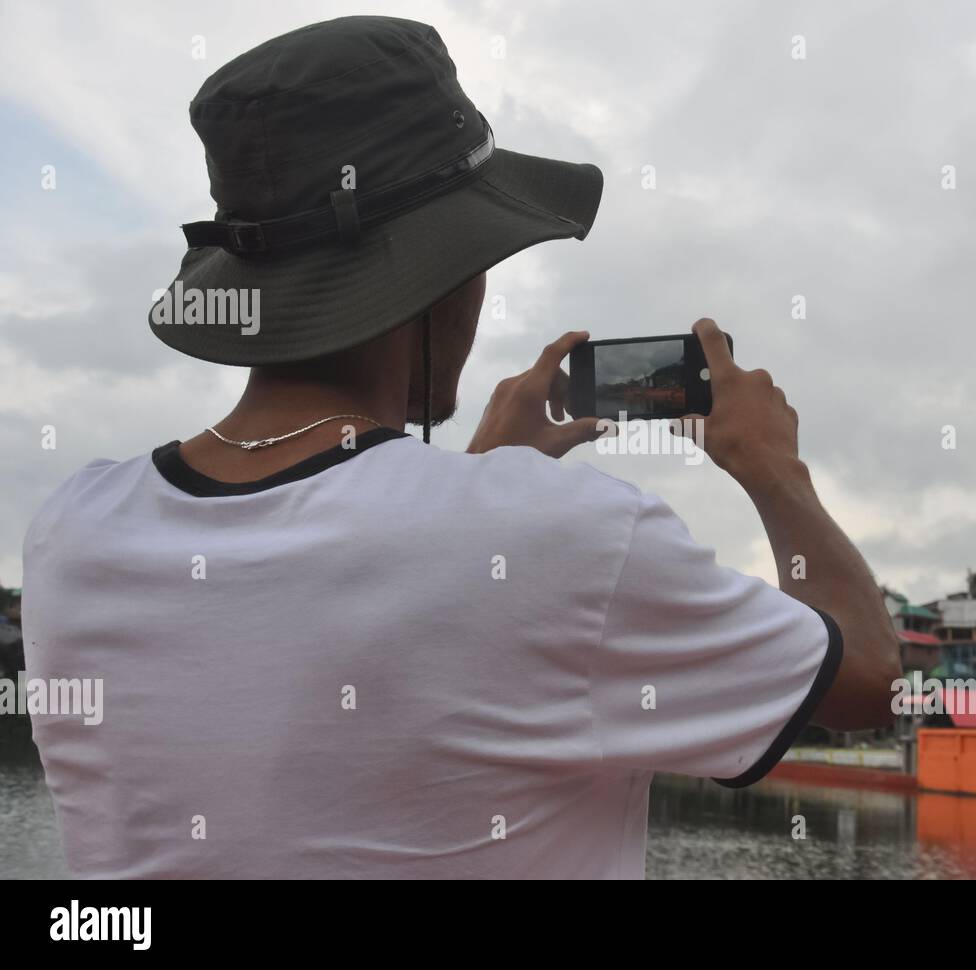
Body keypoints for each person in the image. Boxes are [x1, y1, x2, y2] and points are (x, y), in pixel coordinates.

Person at [21, 16, 900, 879]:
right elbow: (864, 680)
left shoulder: (70, 533)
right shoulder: (570, 537)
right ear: (441, 281)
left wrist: (478, 488)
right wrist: (772, 467)